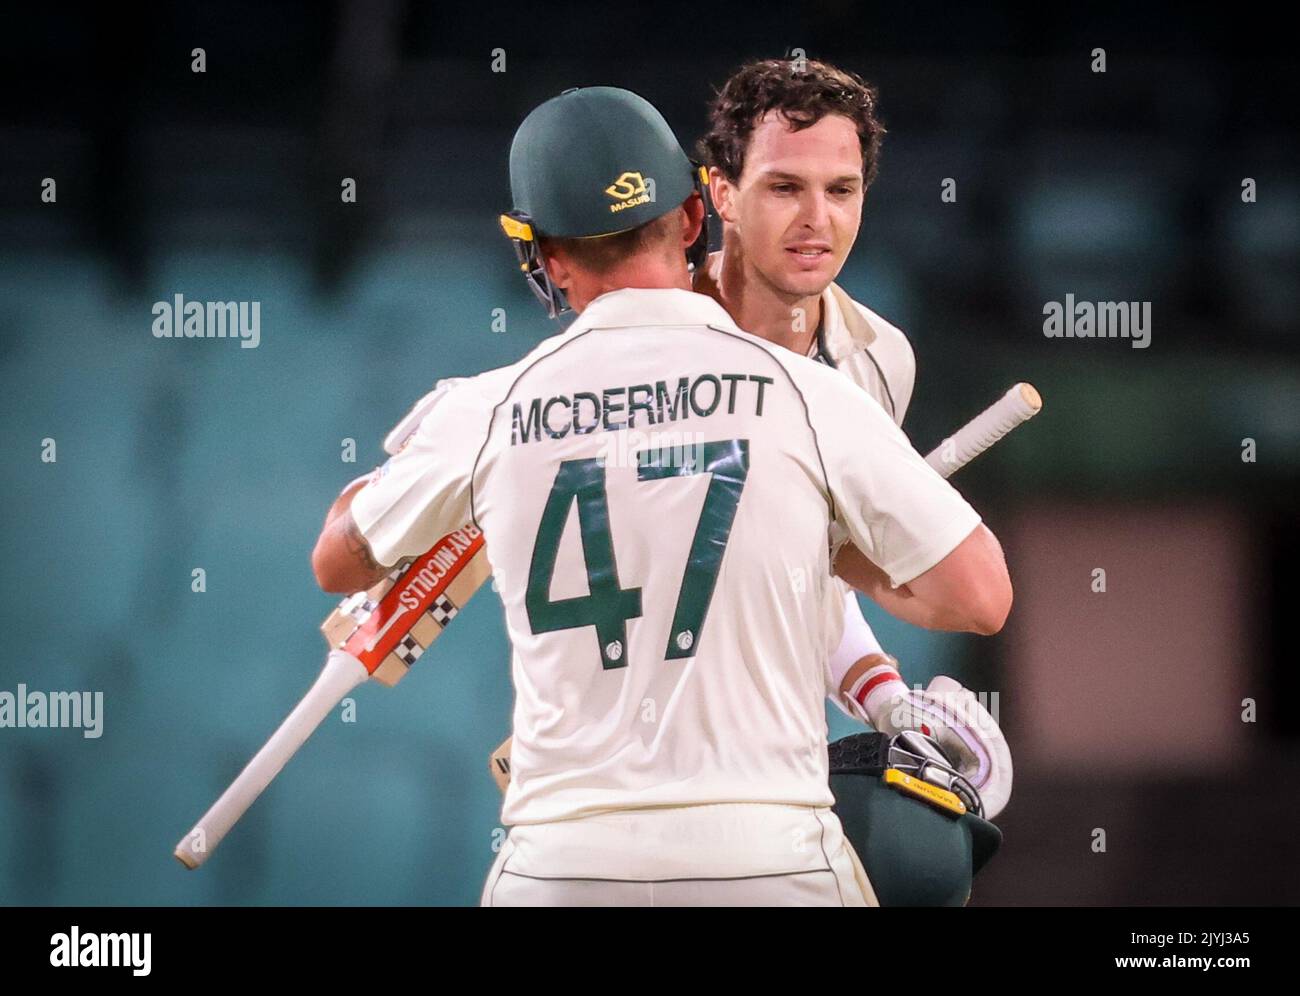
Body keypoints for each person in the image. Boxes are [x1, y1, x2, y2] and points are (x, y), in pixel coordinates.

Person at [311, 85, 1012, 906]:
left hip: (559, 861)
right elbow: (979, 594)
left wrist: (407, 465)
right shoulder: (808, 396)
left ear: (547, 257)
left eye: (841, 189)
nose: (815, 218)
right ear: (697, 215)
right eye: (785, 187)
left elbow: (339, 559)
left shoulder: (487, 408)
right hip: (769, 855)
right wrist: (820, 535)